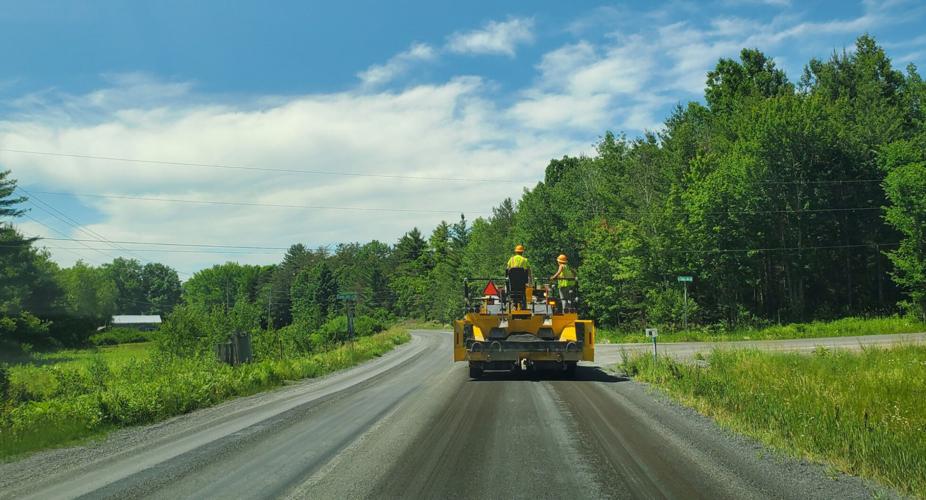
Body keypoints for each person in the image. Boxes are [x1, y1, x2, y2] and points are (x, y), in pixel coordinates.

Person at [506, 244, 531, 309]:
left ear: (515, 251)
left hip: (512, 283)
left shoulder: (511, 259)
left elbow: (507, 269)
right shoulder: (525, 260)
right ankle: (523, 306)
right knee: (523, 292)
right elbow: (528, 270)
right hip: (522, 283)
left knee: (512, 290)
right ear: (522, 252)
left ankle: (514, 303)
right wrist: (530, 280)